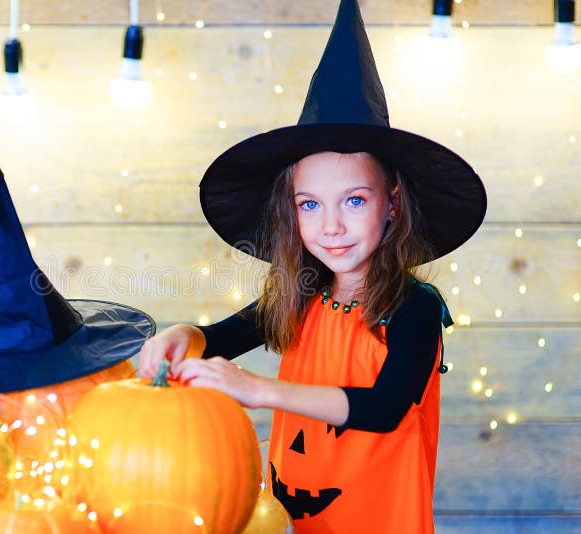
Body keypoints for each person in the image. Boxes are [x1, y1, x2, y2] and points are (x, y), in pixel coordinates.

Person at [138, 1, 486, 533]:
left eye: (353, 201)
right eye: (309, 204)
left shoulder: (412, 308)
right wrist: (182, 336)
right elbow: (221, 337)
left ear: (391, 203)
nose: (331, 227)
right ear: (290, 209)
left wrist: (259, 390)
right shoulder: (302, 291)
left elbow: (386, 408)